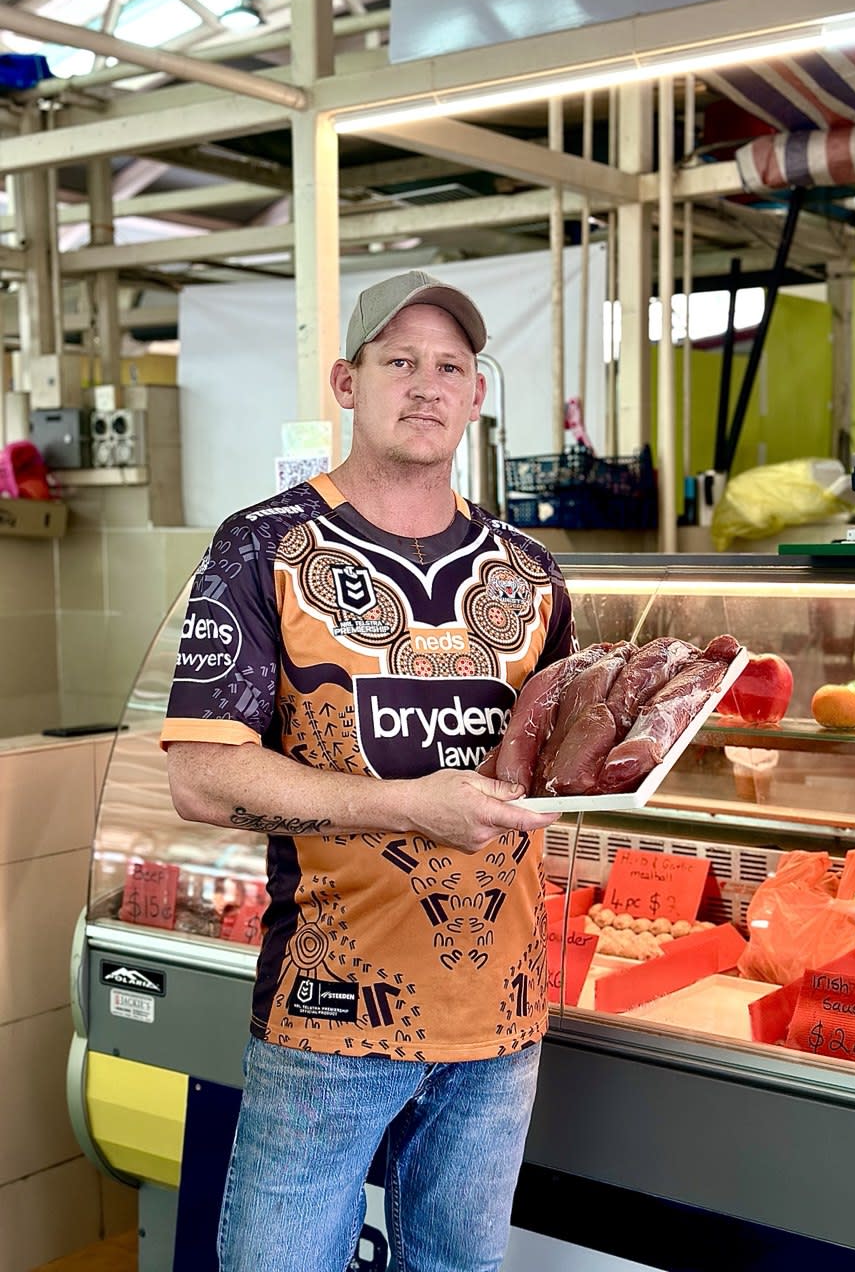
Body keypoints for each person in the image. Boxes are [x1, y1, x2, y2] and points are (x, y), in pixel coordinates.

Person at [161, 268, 578, 1272]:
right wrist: (406, 807)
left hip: (502, 1020)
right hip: (328, 1017)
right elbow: (200, 776)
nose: (426, 384)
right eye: (400, 361)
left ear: (477, 393)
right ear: (348, 383)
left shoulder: (530, 571)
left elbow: (561, 767)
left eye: (450, 365)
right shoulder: (263, 545)